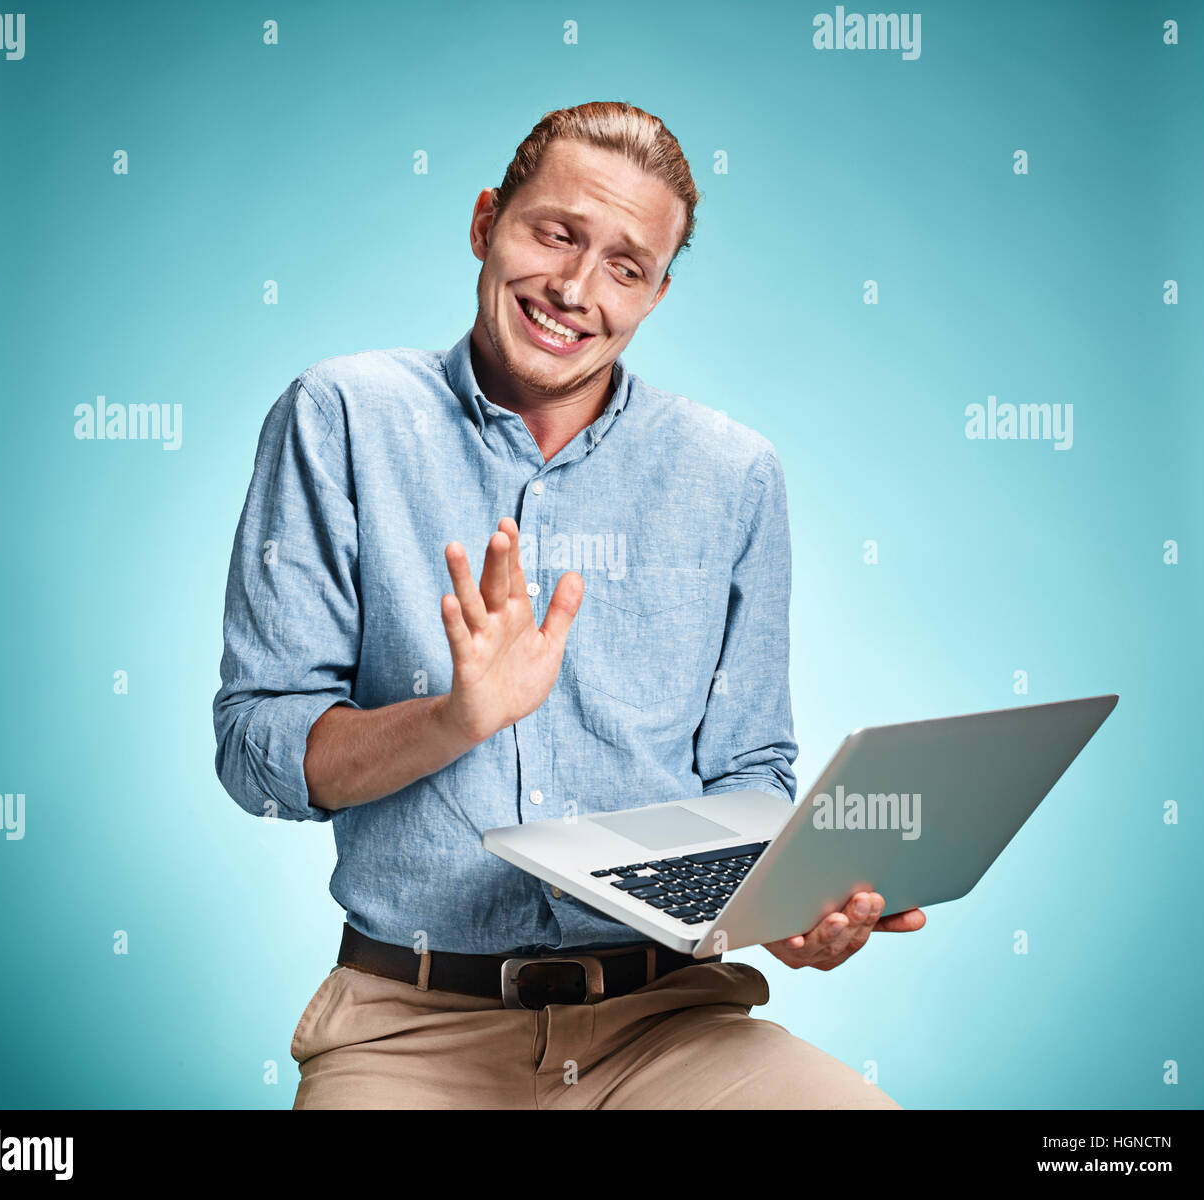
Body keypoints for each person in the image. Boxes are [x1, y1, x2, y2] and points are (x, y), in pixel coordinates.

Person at [213, 100, 924, 1110]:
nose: (575, 289)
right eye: (555, 233)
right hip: (411, 1027)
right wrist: (453, 721)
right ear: (484, 223)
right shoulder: (341, 416)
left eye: (625, 266)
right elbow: (256, 749)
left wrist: (791, 905)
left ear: (657, 294)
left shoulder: (732, 474)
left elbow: (749, 772)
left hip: (669, 1021)